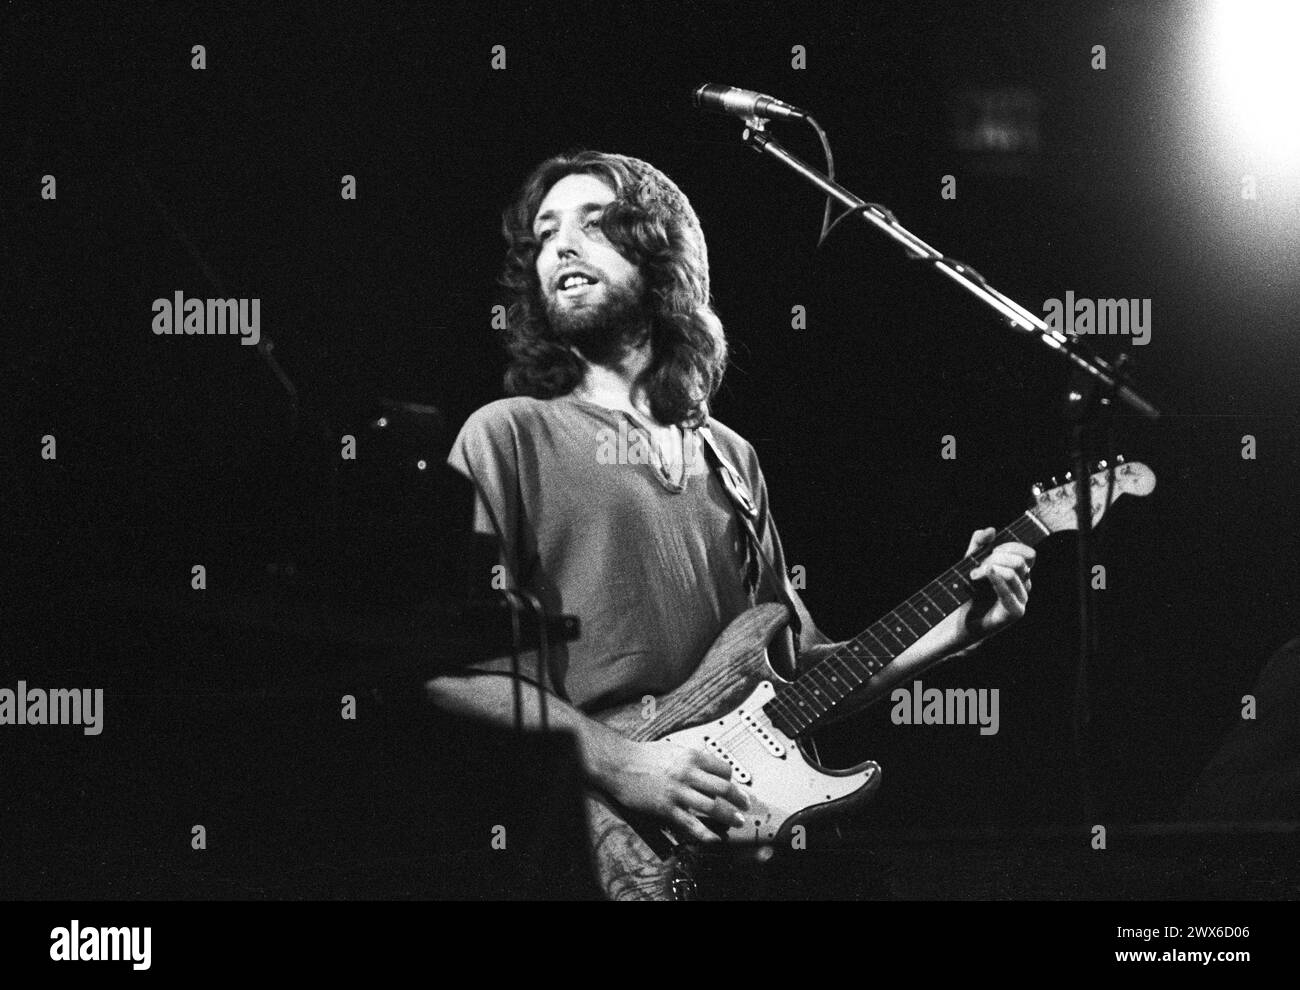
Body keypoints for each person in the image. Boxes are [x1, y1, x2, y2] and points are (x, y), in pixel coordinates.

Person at [426, 149, 1035, 859]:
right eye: (546, 232)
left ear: (663, 254)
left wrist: (956, 626)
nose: (560, 245)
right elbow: (439, 673)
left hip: (733, 851)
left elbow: (798, 680)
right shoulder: (506, 435)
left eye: (594, 224)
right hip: (579, 840)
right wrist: (624, 764)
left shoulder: (733, 460)